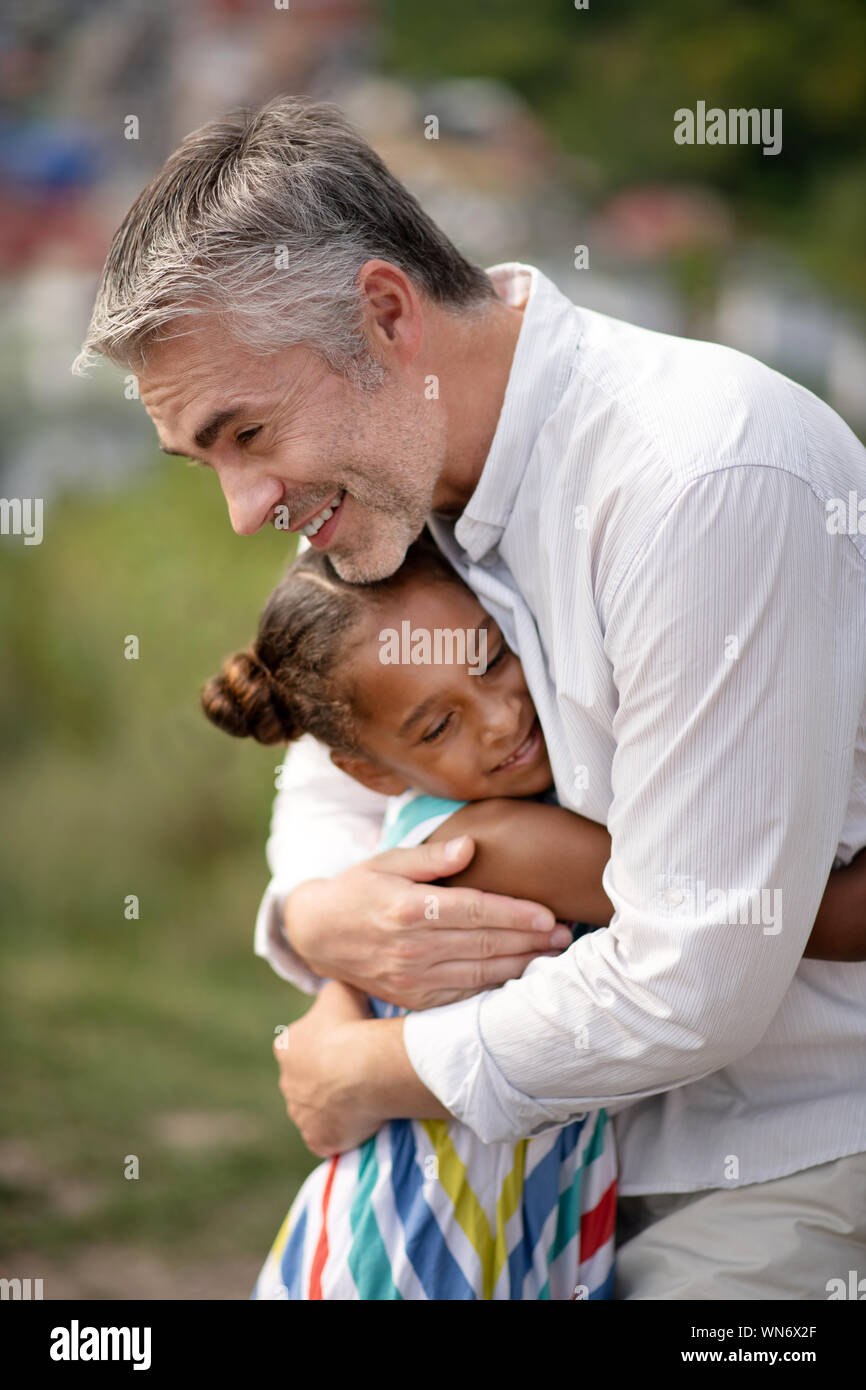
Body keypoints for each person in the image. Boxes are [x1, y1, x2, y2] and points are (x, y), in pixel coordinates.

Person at [75, 95, 866, 1298]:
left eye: (245, 433)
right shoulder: (397, 481)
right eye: (204, 463)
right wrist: (314, 913)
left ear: (382, 314)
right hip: (544, 1163)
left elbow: (696, 981)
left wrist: (370, 1069)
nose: (242, 511)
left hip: (786, 1158)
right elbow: (333, 757)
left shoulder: (697, 479)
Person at [202, 536, 865, 1299]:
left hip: (519, 1215)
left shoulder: (483, 815)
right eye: (436, 727)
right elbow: (795, 919)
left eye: (491, 660)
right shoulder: (493, 844)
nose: (499, 718)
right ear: (372, 773)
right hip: (423, 1241)